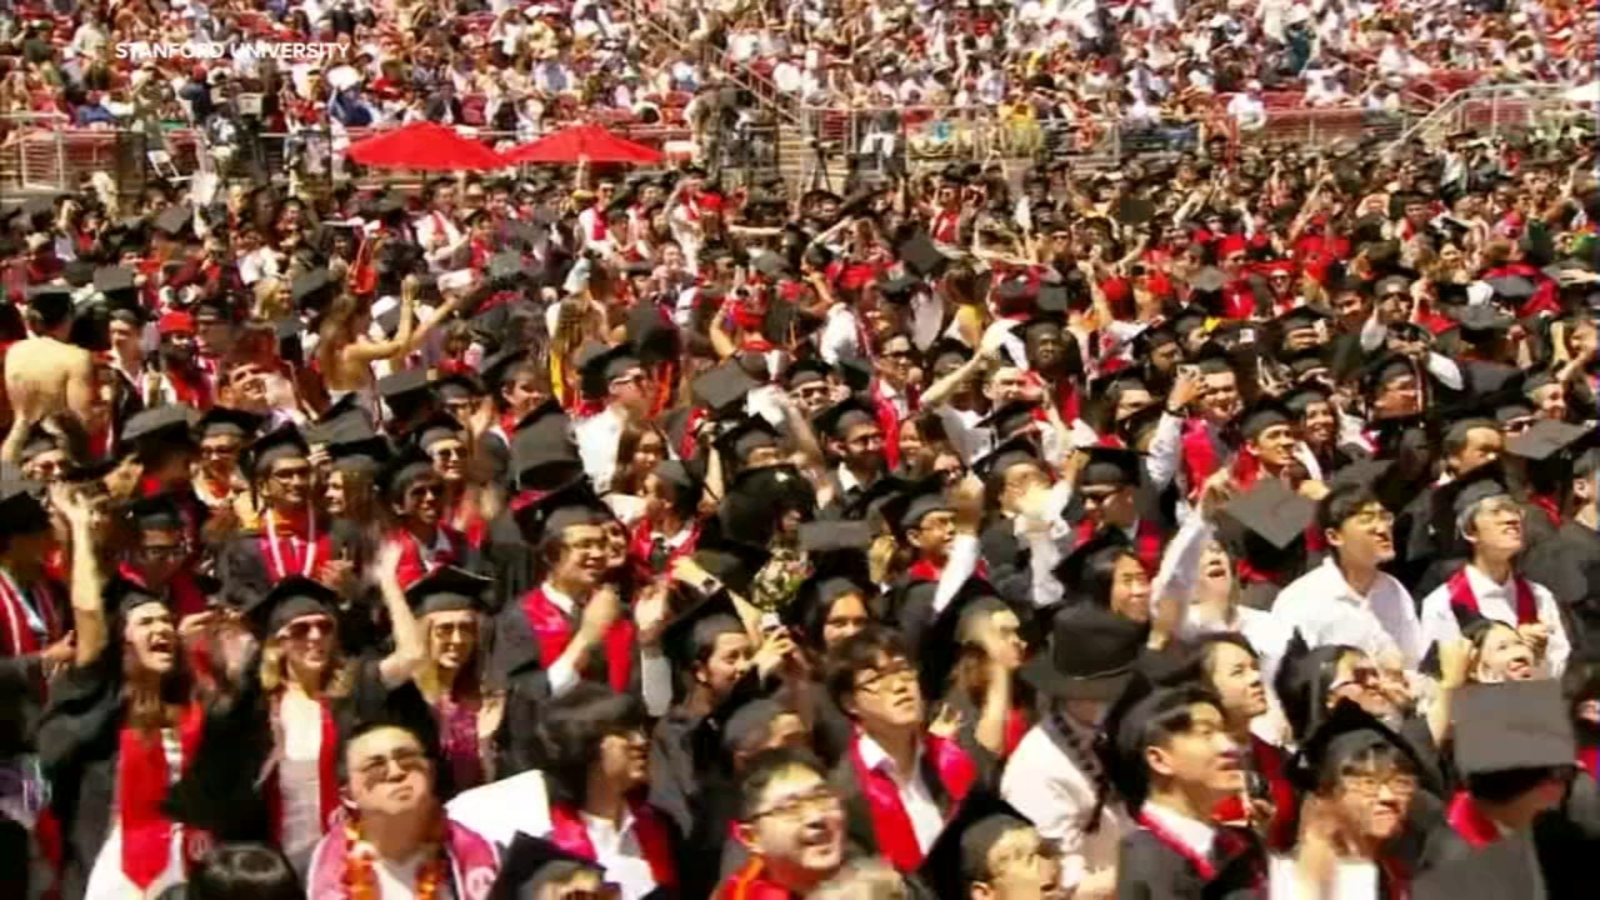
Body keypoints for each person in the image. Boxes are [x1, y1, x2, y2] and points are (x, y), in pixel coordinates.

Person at [825, 627, 986, 873]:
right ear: (850, 703)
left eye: (902, 670)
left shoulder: (954, 758)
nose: (899, 685)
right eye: (875, 679)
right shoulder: (845, 794)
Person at [1100, 680, 1264, 899]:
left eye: (1225, 733)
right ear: (1159, 760)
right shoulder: (1145, 855)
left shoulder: (1245, 845)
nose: (1229, 747)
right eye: (1206, 733)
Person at [304, 717, 501, 900]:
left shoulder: (475, 855)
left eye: (408, 760)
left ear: (430, 774)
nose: (396, 772)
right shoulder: (328, 870)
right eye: (375, 766)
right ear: (349, 796)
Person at [1418, 464, 1570, 677]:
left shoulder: (1540, 597)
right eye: (1495, 512)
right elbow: (1437, 680)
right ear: (1471, 532)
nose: (1512, 519)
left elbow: (1558, 671)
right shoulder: (1443, 604)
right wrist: (1508, 649)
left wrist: (1539, 655)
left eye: (1514, 511)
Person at [1273, 481, 1426, 668]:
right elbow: (1286, 682)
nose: (1382, 529)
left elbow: (1415, 662)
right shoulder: (1301, 601)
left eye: (1384, 517)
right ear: (1334, 536)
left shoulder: (1393, 590)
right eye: (1366, 520)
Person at [717, 748, 846, 900]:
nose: (816, 817)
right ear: (752, 837)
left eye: (822, 798)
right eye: (791, 808)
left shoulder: (874, 879)